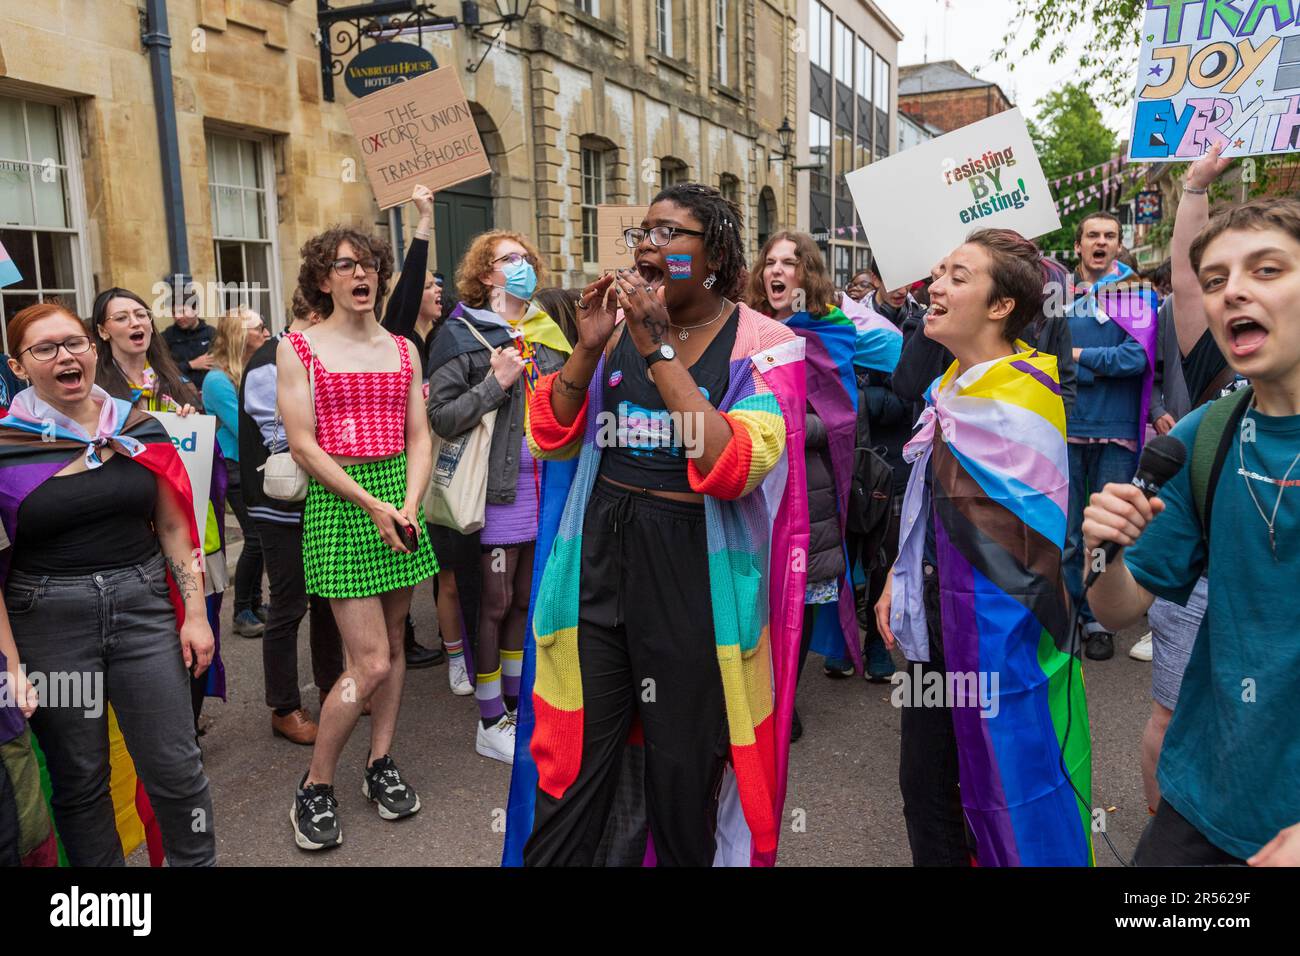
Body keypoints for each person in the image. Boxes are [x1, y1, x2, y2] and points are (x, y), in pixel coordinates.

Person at [508, 183, 809, 867]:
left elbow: (733, 463)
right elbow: (549, 435)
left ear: (716, 256)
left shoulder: (766, 346)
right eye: (644, 232)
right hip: (600, 575)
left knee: (680, 788)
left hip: (695, 590)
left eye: (672, 234)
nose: (649, 245)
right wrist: (587, 350)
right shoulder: (612, 332)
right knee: (572, 780)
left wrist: (657, 349)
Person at [1083, 197, 1300, 866]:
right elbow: (1115, 609)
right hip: (1201, 804)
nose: (1233, 289)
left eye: (1266, 269)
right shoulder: (1207, 435)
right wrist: (1102, 551)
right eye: (1214, 280)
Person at [877, 229, 1092, 867]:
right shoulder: (947, 387)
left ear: (1000, 307)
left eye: (957, 276)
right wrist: (899, 575)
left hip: (1002, 641)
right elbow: (926, 501)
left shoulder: (1025, 396)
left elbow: (1032, 550)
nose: (935, 286)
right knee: (927, 791)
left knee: (1002, 792)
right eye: (937, 272)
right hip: (933, 629)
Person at [0, 302, 216, 865]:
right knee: (82, 779)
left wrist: (193, 614)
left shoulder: (138, 425)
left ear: (92, 350)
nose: (64, 356)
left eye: (73, 343)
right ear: (18, 367)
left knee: (177, 767)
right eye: (44, 349)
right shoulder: (5, 448)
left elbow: (173, 525)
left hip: (143, 610)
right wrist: (13, 669)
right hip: (48, 624)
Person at [279, 226, 438, 851]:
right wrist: (373, 504)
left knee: (395, 645)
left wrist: (408, 503)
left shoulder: (403, 348)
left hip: (400, 498)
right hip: (344, 504)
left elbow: (419, 436)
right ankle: (316, 784)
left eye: (369, 263)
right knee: (368, 661)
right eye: (345, 266)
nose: (361, 273)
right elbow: (303, 445)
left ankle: (379, 764)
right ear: (324, 279)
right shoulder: (298, 347)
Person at [746, 231, 900, 741]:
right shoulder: (744, 325)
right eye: (770, 261)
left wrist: (783, 429)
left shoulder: (830, 330)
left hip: (805, 486)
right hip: (748, 479)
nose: (777, 271)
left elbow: (839, 420)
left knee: (801, 589)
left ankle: (784, 700)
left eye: (789, 262)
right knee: (752, 589)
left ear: (806, 273)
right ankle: (751, 691)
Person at [426, 230, 572, 763]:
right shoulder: (459, 334)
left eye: (525, 258)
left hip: (543, 485)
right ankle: (490, 720)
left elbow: (567, 401)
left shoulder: (545, 331)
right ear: (484, 275)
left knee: (523, 601)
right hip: (496, 491)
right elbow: (439, 416)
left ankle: (513, 705)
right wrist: (495, 384)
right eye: (508, 259)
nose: (521, 266)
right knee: (494, 601)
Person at [92, 288, 228, 726]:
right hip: (138, 540)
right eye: (122, 317)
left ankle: (188, 726)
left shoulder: (177, 383)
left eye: (141, 314)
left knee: (201, 633)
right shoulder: (96, 399)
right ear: (102, 330)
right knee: (155, 641)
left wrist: (191, 422)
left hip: (195, 532)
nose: (136, 324)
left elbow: (208, 461)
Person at [239, 290, 345, 745]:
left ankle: (331, 688)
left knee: (326, 600)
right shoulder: (270, 359)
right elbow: (282, 435)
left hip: (318, 498)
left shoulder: (316, 354)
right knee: (289, 603)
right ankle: (283, 707)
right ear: (319, 314)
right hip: (279, 502)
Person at [1060, 211, 1156, 662]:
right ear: (1078, 245)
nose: (1101, 241)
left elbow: (1136, 358)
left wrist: (1079, 357)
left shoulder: (1135, 292)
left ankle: (1099, 621)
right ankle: (1067, 616)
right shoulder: (1057, 295)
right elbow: (1044, 356)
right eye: (1092, 235)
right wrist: (1095, 363)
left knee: (1106, 534)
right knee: (1067, 533)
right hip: (1066, 426)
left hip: (1117, 432)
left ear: (1119, 245)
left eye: (1110, 236)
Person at [380, 185, 447, 671]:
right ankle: (383, 649)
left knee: (408, 552)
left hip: (420, 456)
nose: (437, 289)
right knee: (394, 548)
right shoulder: (396, 334)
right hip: (389, 460)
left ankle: (397, 639)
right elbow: (405, 292)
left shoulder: (431, 338)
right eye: (429, 285)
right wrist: (423, 220)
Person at [203, 308, 270, 638]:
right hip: (234, 466)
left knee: (261, 539)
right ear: (240, 336)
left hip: (255, 463)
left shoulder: (250, 369)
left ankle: (255, 601)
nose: (266, 331)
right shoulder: (217, 380)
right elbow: (245, 427)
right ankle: (241, 609)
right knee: (255, 538)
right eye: (259, 327)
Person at [161, 286, 215, 389]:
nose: (177, 317)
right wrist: (190, 365)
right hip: (180, 395)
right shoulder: (167, 336)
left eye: (182, 312)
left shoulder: (212, 334)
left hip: (209, 394)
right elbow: (162, 368)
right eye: (174, 313)